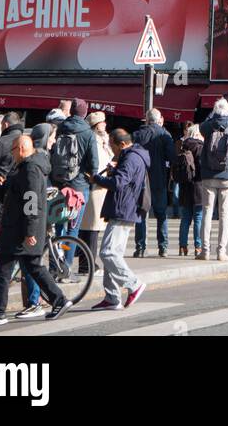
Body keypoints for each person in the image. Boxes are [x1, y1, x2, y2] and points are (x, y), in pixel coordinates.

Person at [0, 134, 72, 327]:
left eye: (12, 150)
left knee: (4, 269)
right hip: (18, 226)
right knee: (33, 266)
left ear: (21, 149)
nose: (11, 154)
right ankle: (59, 300)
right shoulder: (25, 167)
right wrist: (0, 186)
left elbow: (31, 201)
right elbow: (14, 196)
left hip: (19, 228)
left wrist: (30, 231)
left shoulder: (31, 169)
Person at [90, 128, 149, 311]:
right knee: (112, 254)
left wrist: (97, 179)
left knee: (108, 253)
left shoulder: (131, 157)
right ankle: (112, 297)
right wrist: (114, 169)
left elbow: (118, 183)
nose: (112, 150)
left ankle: (134, 284)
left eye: (112, 146)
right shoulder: (134, 154)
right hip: (125, 208)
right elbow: (124, 178)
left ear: (121, 144)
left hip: (124, 208)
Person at [15, 122, 58, 319]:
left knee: (31, 263)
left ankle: (36, 301)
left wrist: (30, 228)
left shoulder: (33, 164)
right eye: (52, 137)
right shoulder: (42, 158)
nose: (54, 140)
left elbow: (31, 197)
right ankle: (40, 300)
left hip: (32, 218)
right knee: (30, 262)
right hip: (33, 217)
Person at [50, 97, 97, 276]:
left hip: (59, 183)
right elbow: (94, 163)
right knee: (73, 228)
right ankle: (66, 267)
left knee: (58, 226)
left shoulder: (62, 127)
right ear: (85, 113)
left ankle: (55, 264)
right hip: (79, 186)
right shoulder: (87, 132)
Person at [198, 96, 228, 262]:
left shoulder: (207, 127)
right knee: (224, 215)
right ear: (227, 111)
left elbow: (204, 123)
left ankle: (204, 251)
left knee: (207, 212)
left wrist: (213, 112)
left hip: (209, 175)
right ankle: (221, 251)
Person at [131, 108, 175, 257]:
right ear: (159, 119)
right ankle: (163, 247)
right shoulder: (164, 135)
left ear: (146, 119)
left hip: (141, 178)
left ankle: (140, 247)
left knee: (141, 213)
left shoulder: (138, 135)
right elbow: (171, 157)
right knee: (161, 214)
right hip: (159, 178)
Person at [80, 111, 113, 266]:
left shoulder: (102, 140)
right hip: (95, 186)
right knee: (91, 227)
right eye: (102, 122)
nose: (105, 124)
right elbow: (97, 164)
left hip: (100, 186)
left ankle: (87, 262)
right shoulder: (93, 140)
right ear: (96, 125)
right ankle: (88, 263)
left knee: (93, 227)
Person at [174, 123, 204, 256]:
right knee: (198, 217)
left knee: (185, 218)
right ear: (197, 134)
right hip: (198, 186)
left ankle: (182, 246)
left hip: (184, 186)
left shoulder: (182, 147)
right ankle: (198, 246)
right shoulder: (201, 148)